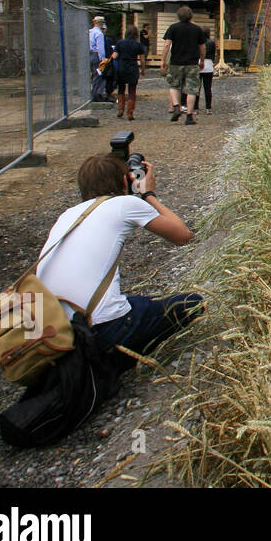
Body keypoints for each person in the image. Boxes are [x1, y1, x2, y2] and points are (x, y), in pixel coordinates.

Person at [35, 154, 203, 379]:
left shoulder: (67, 216)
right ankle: (104, 365)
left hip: (55, 334)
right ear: (125, 182)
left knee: (140, 303)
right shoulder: (125, 204)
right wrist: (148, 194)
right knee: (193, 303)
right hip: (99, 329)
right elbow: (183, 236)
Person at [160, 6, 206, 125]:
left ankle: (176, 107)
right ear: (191, 16)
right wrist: (202, 60)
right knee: (191, 89)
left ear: (178, 16)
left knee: (174, 85)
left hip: (176, 62)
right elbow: (202, 46)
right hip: (192, 63)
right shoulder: (197, 29)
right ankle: (189, 116)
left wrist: (162, 60)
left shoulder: (173, 28)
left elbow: (166, 45)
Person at [110, 26, 146, 121]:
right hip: (133, 67)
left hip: (121, 67)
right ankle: (130, 113)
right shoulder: (138, 45)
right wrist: (143, 70)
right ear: (136, 34)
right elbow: (142, 60)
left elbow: (114, 56)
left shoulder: (120, 43)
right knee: (132, 90)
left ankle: (120, 110)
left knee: (121, 89)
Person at [190, 27, 216, 115]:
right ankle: (208, 108)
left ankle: (195, 108)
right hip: (208, 65)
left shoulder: (197, 42)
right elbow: (213, 54)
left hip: (198, 64)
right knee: (208, 88)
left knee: (197, 88)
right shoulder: (212, 43)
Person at [89, 16, 107, 101]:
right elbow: (100, 48)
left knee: (92, 74)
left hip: (89, 54)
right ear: (101, 23)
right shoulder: (99, 34)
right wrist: (103, 60)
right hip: (96, 55)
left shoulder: (90, 32)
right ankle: (95, 94)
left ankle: (91, 93)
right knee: (98, 75)